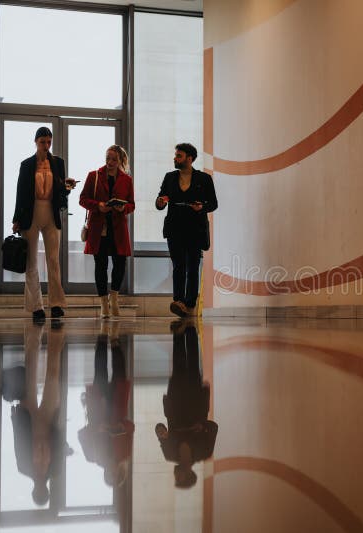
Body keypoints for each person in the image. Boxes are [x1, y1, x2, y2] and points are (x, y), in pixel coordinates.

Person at [12, 127, 76, 322]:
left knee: (53, 260)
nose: (46, 145)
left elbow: (61, 192)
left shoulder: (58, 163)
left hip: (51, 212)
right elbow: (20, 193)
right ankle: (36, 307)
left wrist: (68, 187)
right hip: (30, 214)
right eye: (42, 142)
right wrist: (16, 219)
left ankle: (56, 304)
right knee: (31, 261)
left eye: (49, 142)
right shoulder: (26, 165)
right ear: (36, 142)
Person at [8, 322, 72, 506]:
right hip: (49, 422)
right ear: (47, 490)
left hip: (29, 421)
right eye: (43, 491)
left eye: (38, 491)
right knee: (53, 374)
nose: (40, 488)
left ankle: (35, 329)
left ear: (34, 490)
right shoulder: (55, 469)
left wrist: (15, 418)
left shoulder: (24, 468)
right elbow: (59, 443)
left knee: (31, 370)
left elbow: (18, 441)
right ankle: (55, 330)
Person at [155, 143, 218, 317]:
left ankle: (190, 304)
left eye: (179, 155)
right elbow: (160, 201)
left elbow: (213, 204)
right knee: (178, 266)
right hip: (174, 228)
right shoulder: (169, 177)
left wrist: (201, 207)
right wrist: (160, 202)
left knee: (192, 267)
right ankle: (179, 302)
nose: (175, 158)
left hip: (195, 229)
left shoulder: (204, 179)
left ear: (189, 159)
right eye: (176, 155)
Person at [155, 320, 218, 488]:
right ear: (189, 474)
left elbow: (159, 429)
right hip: (195, 404)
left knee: (178, 366)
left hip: (175, 406)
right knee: (193, 364)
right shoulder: (204, 452)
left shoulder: (169, 454)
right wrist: (202, 425)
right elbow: (214, 428)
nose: (175, 475)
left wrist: (161, 432)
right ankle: (190, 329)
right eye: (179, 478)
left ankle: (177, 333)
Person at [80, 145, 135, 318]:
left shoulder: (126, 180)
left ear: (121, 161)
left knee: (120, 263)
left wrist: (122, 208)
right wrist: (98, 206)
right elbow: (82, 199)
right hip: (99, 228)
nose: (110, 162)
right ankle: (104, 303)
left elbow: (132, 204)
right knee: (101, 265)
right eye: (107, 158)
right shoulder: (94, 176)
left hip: (118, 228)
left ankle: (114, 298)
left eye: (114, 159)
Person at [78, 325, 135, 488]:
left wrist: (97, 428)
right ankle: (115, 339)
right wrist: (120, 427)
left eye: (110, 475)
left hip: (98, 409)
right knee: (120, 372)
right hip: (118, 407)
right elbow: (131, 427)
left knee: (100, 371)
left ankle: (102, 337)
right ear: (120, 471)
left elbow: (81, 434)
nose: (112, 471)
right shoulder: (125, 454)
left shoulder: (92, 457)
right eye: (116, 474)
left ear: (106, 474)